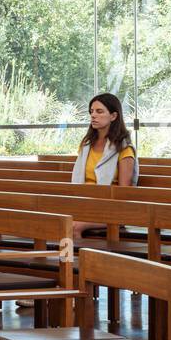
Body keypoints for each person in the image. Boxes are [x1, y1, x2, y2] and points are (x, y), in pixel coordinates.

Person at [71, 93, 138, 239]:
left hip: (109, 209)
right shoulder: (86, 145)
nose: (93, 115)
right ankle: (64, 260)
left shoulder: (124, 149)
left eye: (99, 111)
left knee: (73, 226)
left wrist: (99, 207)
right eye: (91, 111)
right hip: (83, 204)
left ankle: (77, 261)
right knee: (53, 220)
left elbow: (124, 194)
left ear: (113, 116)